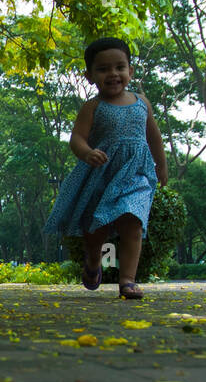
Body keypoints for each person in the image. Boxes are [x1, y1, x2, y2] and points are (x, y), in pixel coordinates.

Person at [44, 37, 168, 299]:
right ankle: (92, 262)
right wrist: (88, 152)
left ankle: (127, 280)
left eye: (119, 67)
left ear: (130, 71)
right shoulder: (93, 106)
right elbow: (76, 138)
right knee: (95, 229)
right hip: (101, 176)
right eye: (103, 69)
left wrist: (161, 167)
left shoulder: (142, 103)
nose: (113, 74)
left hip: (135, 175)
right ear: (90, 76)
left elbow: (154, 137)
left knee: (133, 222)